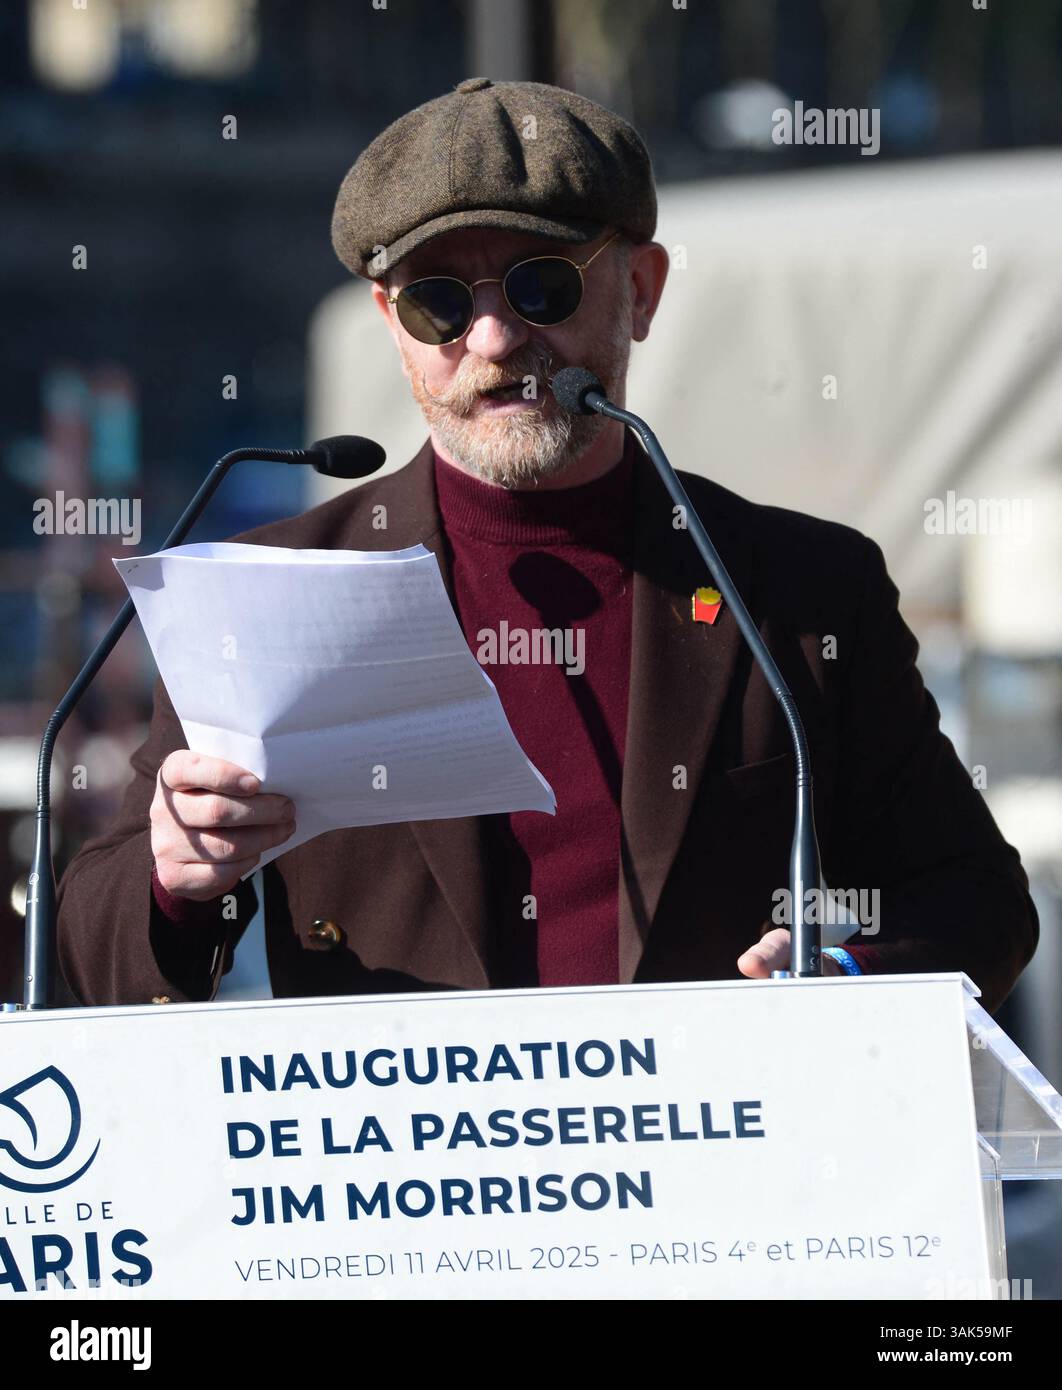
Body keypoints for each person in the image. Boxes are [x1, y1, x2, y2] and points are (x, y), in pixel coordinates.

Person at [56, 78, 1037, 1012]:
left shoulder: (800, 587)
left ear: (642, 292)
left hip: (721, 1161)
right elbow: (87, 953)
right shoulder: (274, 593)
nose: (490, 339)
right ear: (391, 326)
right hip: (399, 1170)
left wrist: (850, 966)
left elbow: (979, 904)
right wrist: (178, 878)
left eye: (542, 287)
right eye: (438, 301)